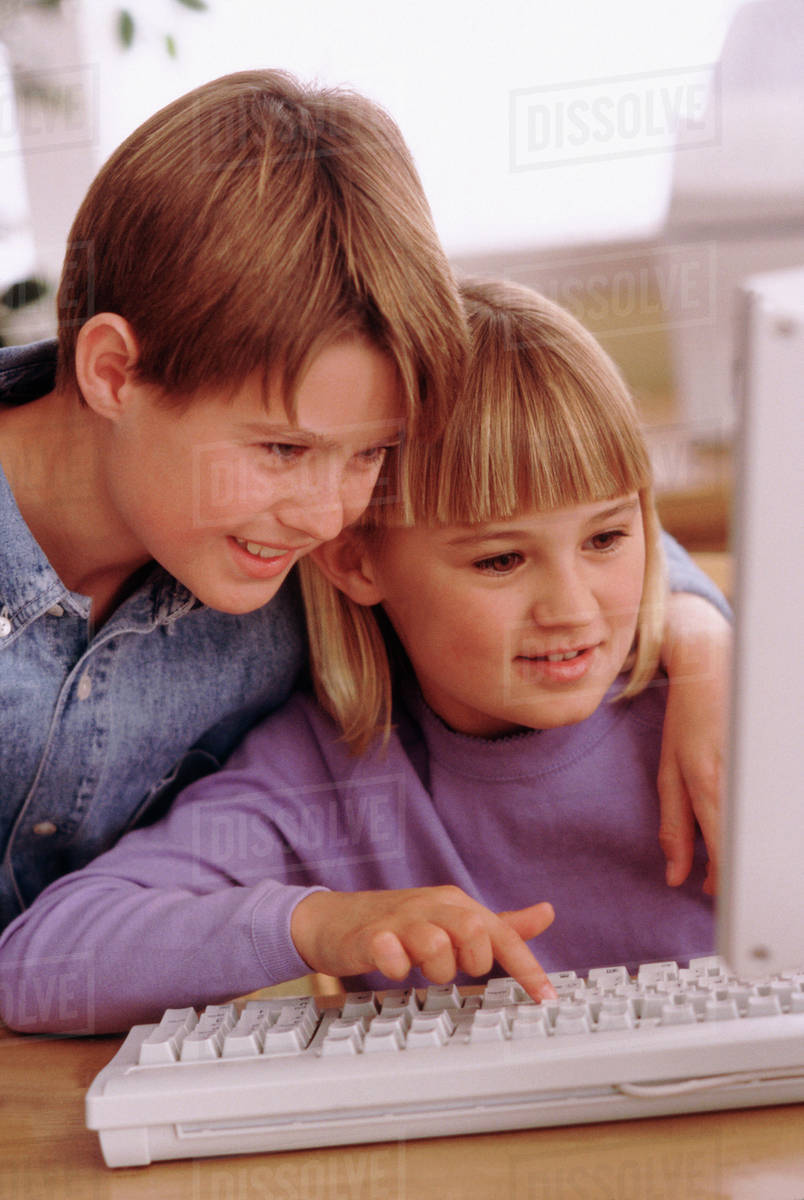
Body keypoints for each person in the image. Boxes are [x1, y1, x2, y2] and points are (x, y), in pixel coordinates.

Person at [0, 281, 716, 1034]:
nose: (572, 608)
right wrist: (315, 923)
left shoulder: (712, 717)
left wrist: (714, 648)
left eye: (605, 539)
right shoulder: (327, 775)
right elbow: (35, 964)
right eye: (500, 561)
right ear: (354, 562)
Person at [0, 68, 468, 930]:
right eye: (282, 450)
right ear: (115, 373)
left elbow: (529, 519)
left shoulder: (281, 550)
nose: (326, 517)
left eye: (371, 453)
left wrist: (702, 636)